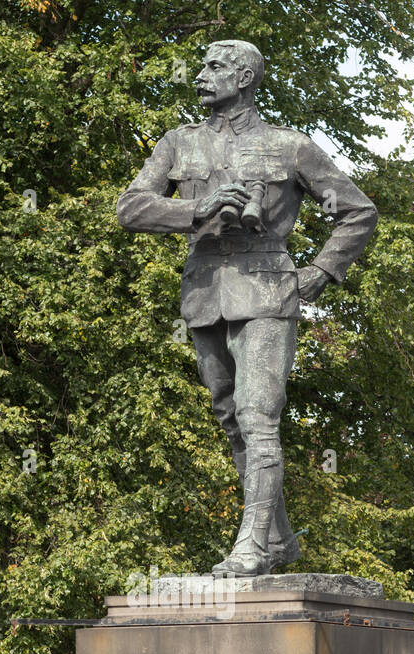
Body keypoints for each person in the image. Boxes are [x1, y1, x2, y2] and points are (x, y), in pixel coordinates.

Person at [117, 39, 379, 576]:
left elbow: (356, 211)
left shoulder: (290, 146)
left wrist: (324, 269)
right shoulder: (178, 144)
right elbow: (131, 207)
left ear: (244, 78)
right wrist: (196, 208)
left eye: (215, 67)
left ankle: (253, 546)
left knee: (258, 417)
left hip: (265, 289)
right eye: (202, 66)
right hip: (206, 290)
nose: (202, 75)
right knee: (232, 420)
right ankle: (278, 539)